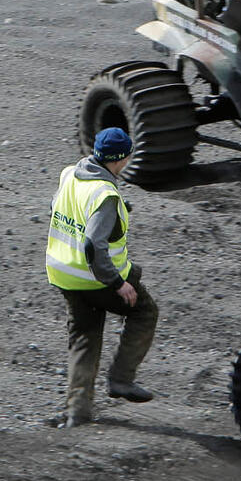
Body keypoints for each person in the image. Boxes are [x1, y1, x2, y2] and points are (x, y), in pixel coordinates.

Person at [45, 127, 158, 428]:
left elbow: (56, 209)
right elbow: (94, 244)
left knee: (84, 336)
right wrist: (118, 284)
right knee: (144, 311)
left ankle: (77, 413)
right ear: (121, 158)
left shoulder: (71, 173)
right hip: (95, 278)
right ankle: (121, 379)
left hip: (63, 274)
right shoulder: (105, 195)